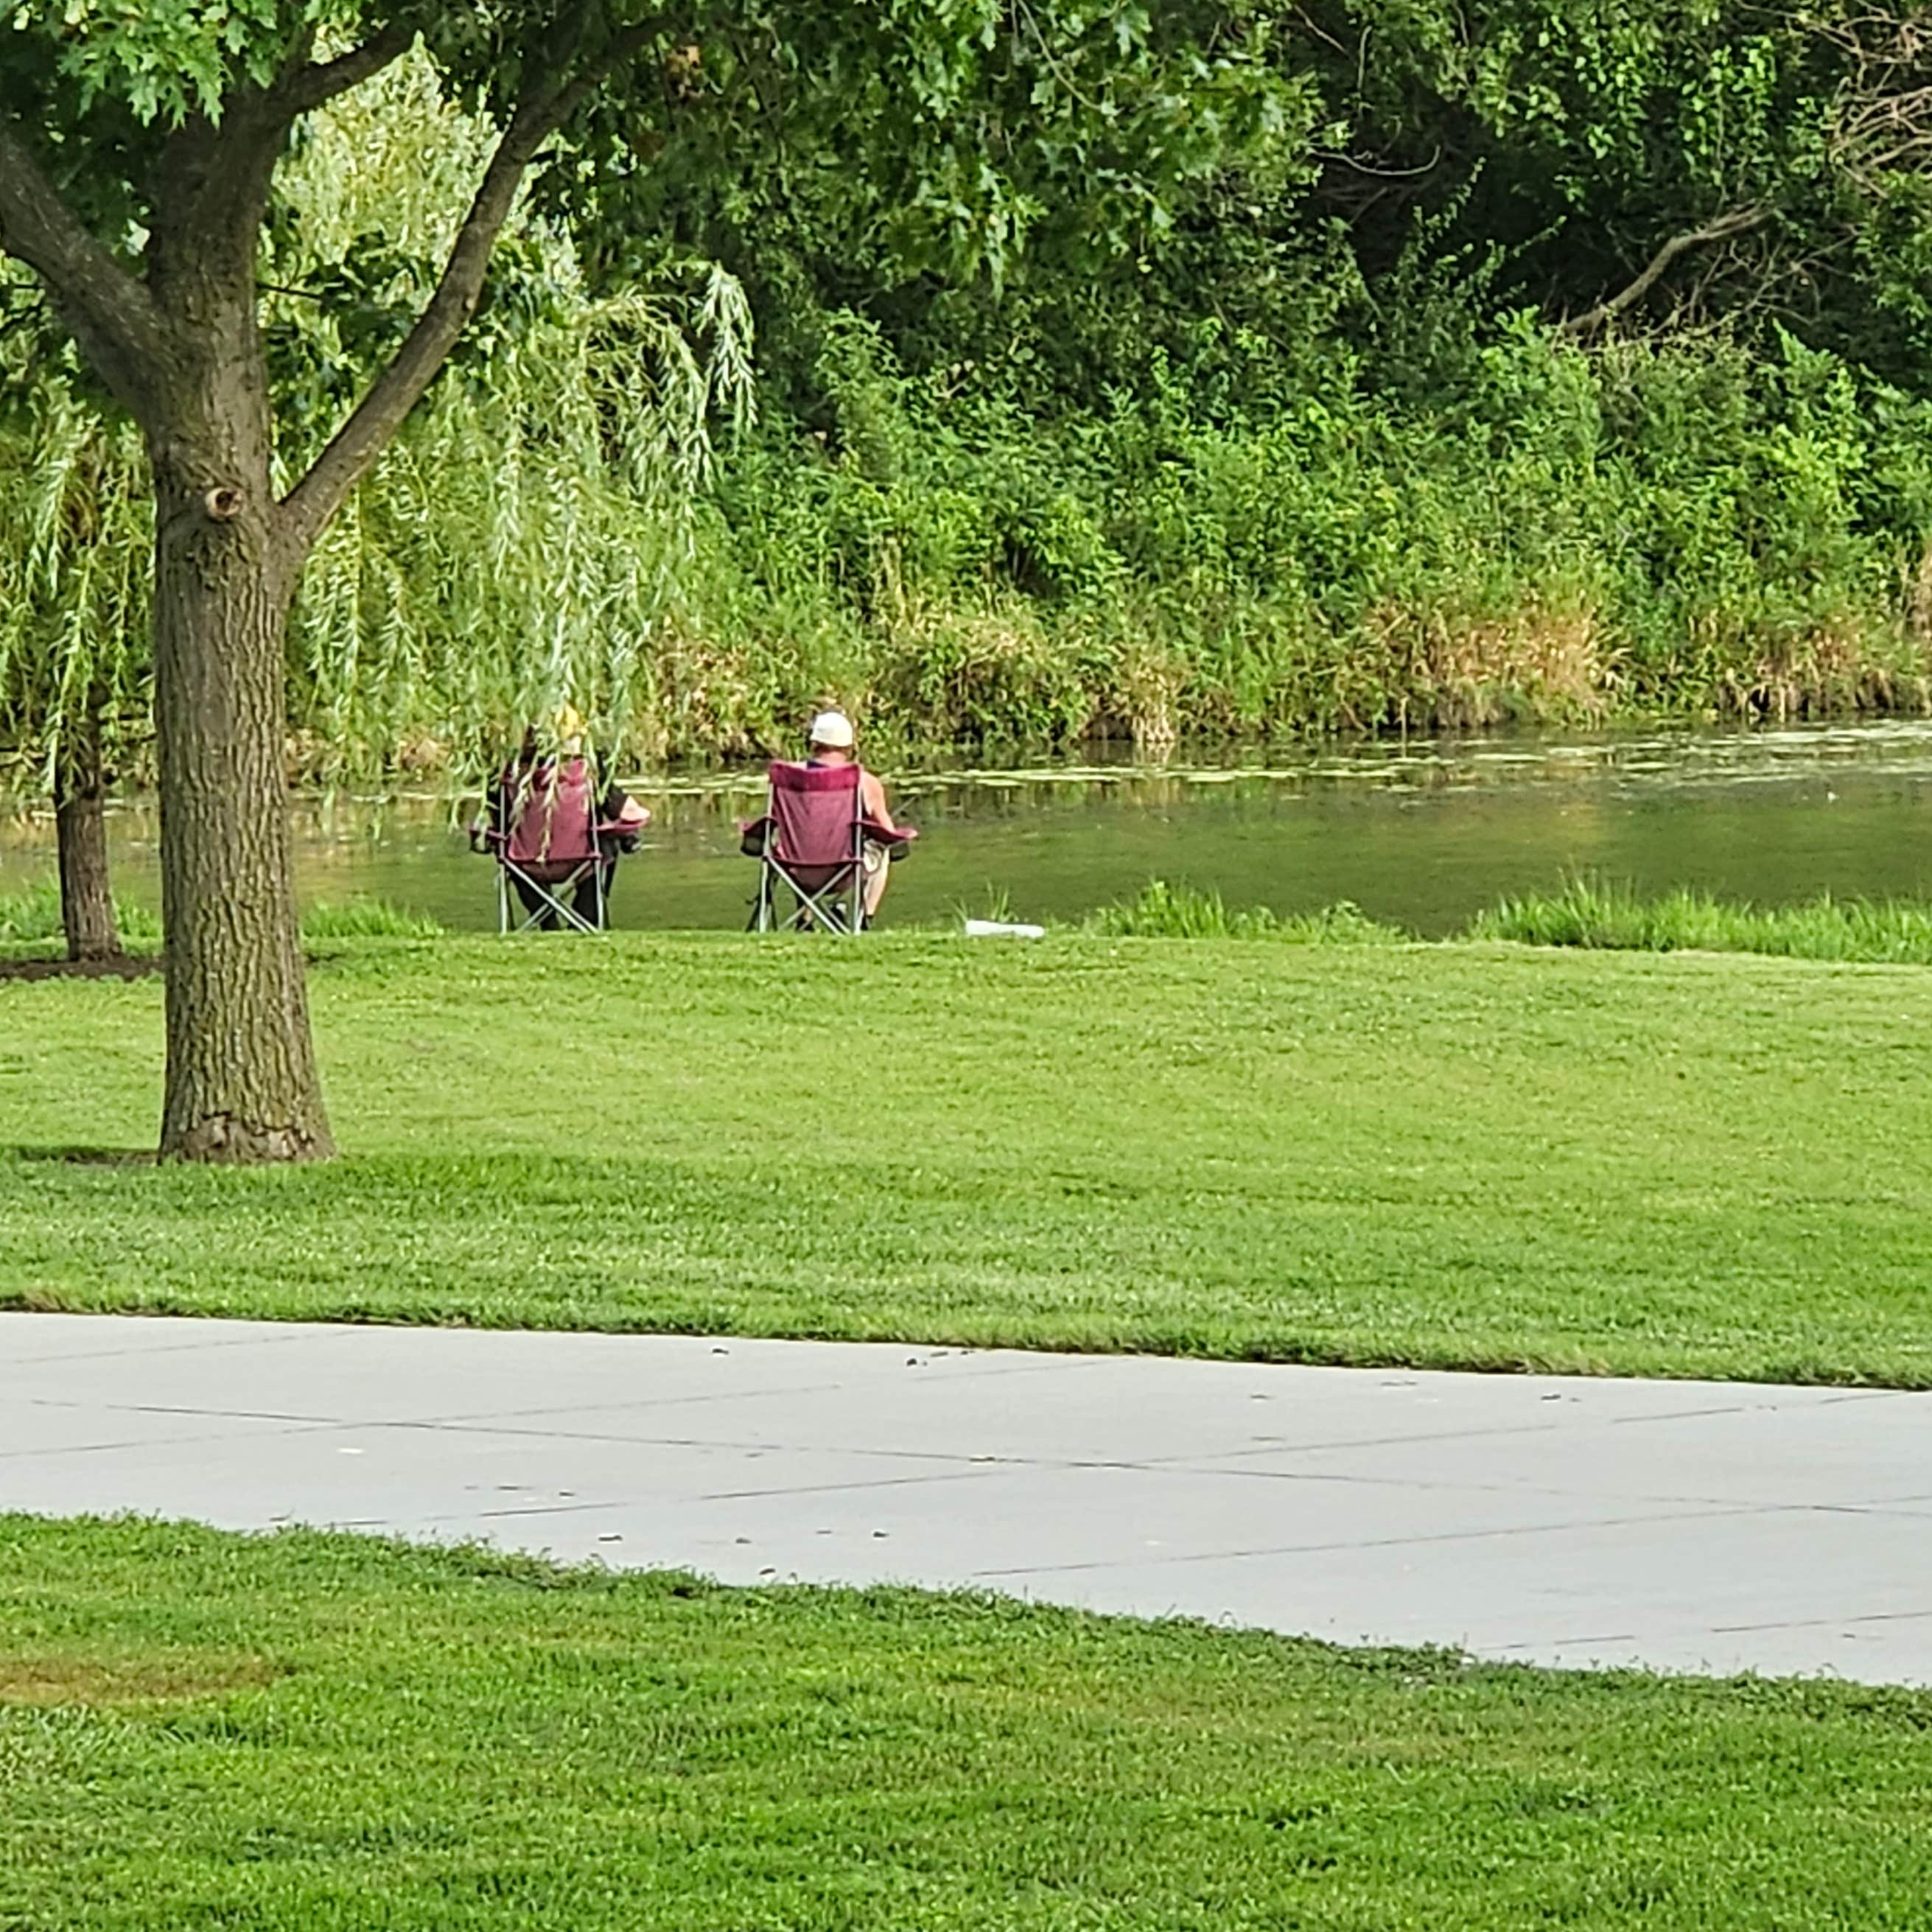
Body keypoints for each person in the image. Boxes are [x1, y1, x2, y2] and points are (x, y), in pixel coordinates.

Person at [478, 708, 650, 928]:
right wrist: (631, 829)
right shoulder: (590, 773)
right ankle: (584, 917)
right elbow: (624, 810)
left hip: (526, 864)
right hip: (580, 858)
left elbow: (497, 819)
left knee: (507, 846)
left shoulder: (508, 776)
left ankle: (547, 922)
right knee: (608, 843)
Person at [802, 708, 905, 923]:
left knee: (800, 843)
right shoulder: (865, 782)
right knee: (882, 850)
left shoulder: (791, 779)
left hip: (795, 871)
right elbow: (888, 832)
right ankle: (864, 918)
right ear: (849, 747)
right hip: (846, 869)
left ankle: (806, 919)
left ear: (813, 744)